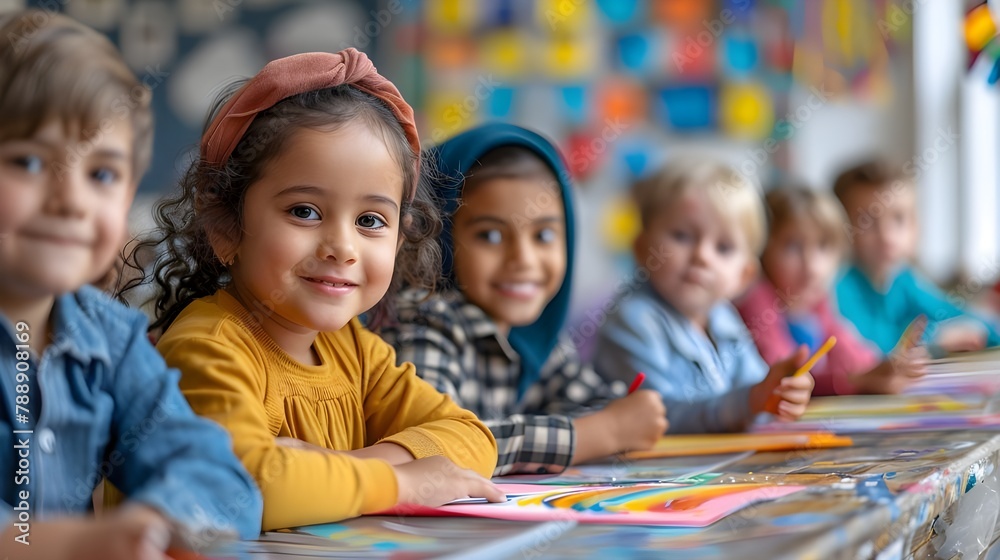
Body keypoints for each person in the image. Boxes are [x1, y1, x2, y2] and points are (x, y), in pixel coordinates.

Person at [121, 50, 503, 531]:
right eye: (304, 211)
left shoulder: (355, 351)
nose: (342, 247)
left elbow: (473, 439)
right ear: (225, 225)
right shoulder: (208, 348)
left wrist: (346, 466)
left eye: (370, 221)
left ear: (400, 238)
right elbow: (245, 489)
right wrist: (403, 483)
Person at [0, 11, 261, 560]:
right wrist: (74, 544)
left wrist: (164, 517)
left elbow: (219, 479)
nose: (70, 200)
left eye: (101, 174)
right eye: (27, 161)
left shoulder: (112, 341)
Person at [380, 123, 667, 476]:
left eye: (543, 234)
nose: (523, 260)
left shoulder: (534, 337)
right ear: (438, 237)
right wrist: (601, 433)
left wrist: (618, 416)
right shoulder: (424, 319)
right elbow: (431, 448)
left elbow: (592, 404)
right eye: (490, 235)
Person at [593, 161, 814, 434]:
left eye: (723, 247)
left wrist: (778, 395)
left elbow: (755, 394)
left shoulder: (724, 316)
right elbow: (659, 418)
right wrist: (753, 400)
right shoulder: (633, 319)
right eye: (682, 236)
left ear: (743, 276)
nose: (702, 256)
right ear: (641, 248)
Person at [737, 187, 927, 395]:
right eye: (792, 246)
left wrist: (887, 368)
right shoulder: (758, 301)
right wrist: (857, 381)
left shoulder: (816, 302)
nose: (812, 265)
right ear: (763, 249)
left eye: (823, 246)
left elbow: (854, 355)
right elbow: (785, 382)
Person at [832, 159, 1000, 355]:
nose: (887, 235)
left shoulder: (903, 279)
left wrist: (982, 330)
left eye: (899, 218)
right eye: (867, 221)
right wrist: (937, 336)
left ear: (915, 225)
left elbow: (962, 316)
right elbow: (868, 348)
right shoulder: (838, 285)